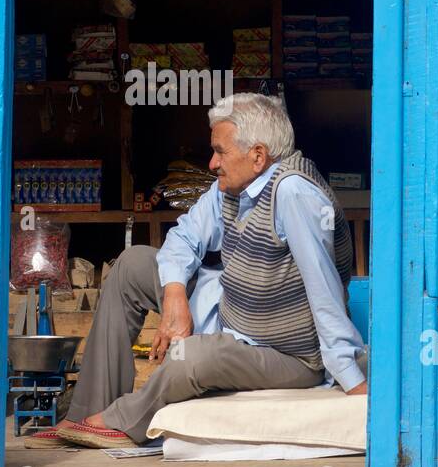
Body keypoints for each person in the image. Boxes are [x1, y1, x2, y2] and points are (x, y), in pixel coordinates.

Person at [42, 92, 368, 449]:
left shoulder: (293, 193)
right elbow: (184, 236)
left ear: (258, 155)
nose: (212, 163)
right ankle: (87, 415)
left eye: (220, 151)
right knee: (132, 264)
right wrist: (175, 294)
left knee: (190, 357)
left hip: (288, 356)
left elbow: (324, 290)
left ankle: (122, 422)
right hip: (231, 317)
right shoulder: (230, 188)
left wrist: (350, 375)